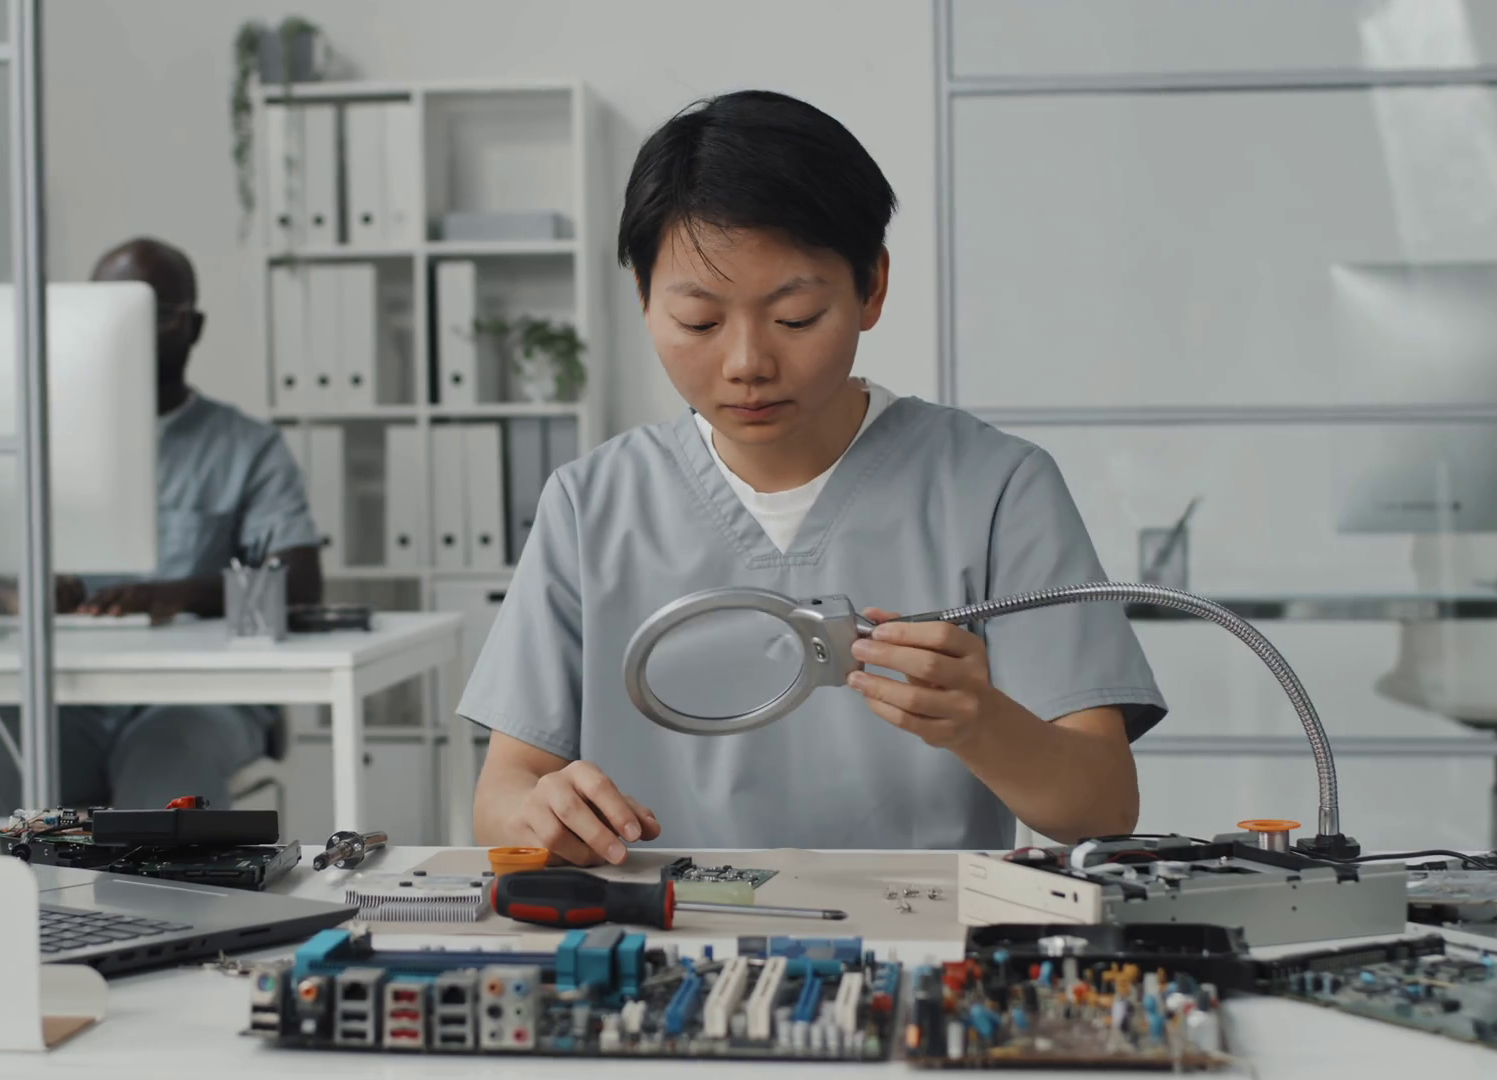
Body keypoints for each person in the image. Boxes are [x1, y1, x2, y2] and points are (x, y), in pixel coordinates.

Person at [462, 91, 1167, 865]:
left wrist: (982, 723)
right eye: (699, 321)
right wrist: (539, 810)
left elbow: (1102, 809)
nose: (747, 364)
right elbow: (503, 792)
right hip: (663, 947)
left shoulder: (997, 489)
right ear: (643, 299)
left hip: (923, 955)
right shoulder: (589, 506)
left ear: (871, 288)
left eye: (794, 317)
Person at [0, 237, 324, 812]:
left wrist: (173, 596)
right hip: (67, 696)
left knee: (166, 771)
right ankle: (24, 905)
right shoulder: (35, 443)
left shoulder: (247, 448)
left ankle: (151, 906)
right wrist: (17, 595)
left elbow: (300, 584)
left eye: (153, 315)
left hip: (200, 698)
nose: (130, 332)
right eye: (112, 315)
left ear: (193, 327)